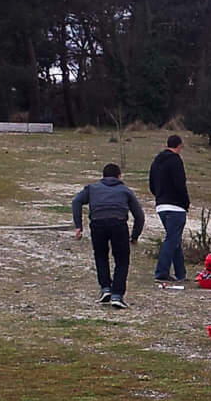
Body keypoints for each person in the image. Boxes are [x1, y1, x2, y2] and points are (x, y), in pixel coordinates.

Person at [71, 162, 146, 308]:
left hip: (97, 224)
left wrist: (78, 226)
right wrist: (135, 236)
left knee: (101, 256)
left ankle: (105, 288)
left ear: (103, 176)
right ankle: (117, 295)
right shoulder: (126, 191)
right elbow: (139, 216)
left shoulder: (92, 188)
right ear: (119, 176)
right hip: (118, 224)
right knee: (122, 260)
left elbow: (76, 201)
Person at [148, 132, 190, 288]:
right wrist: (185, 202)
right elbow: (180, 183)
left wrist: (159, 196)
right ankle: (162, 272)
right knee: (172, 239)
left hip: (161, 205)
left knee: (175, 239)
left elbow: (151, 184)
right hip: (176, 206)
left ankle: (181, 273)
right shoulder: (175, 161)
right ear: (179, 146)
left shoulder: (156, 162)